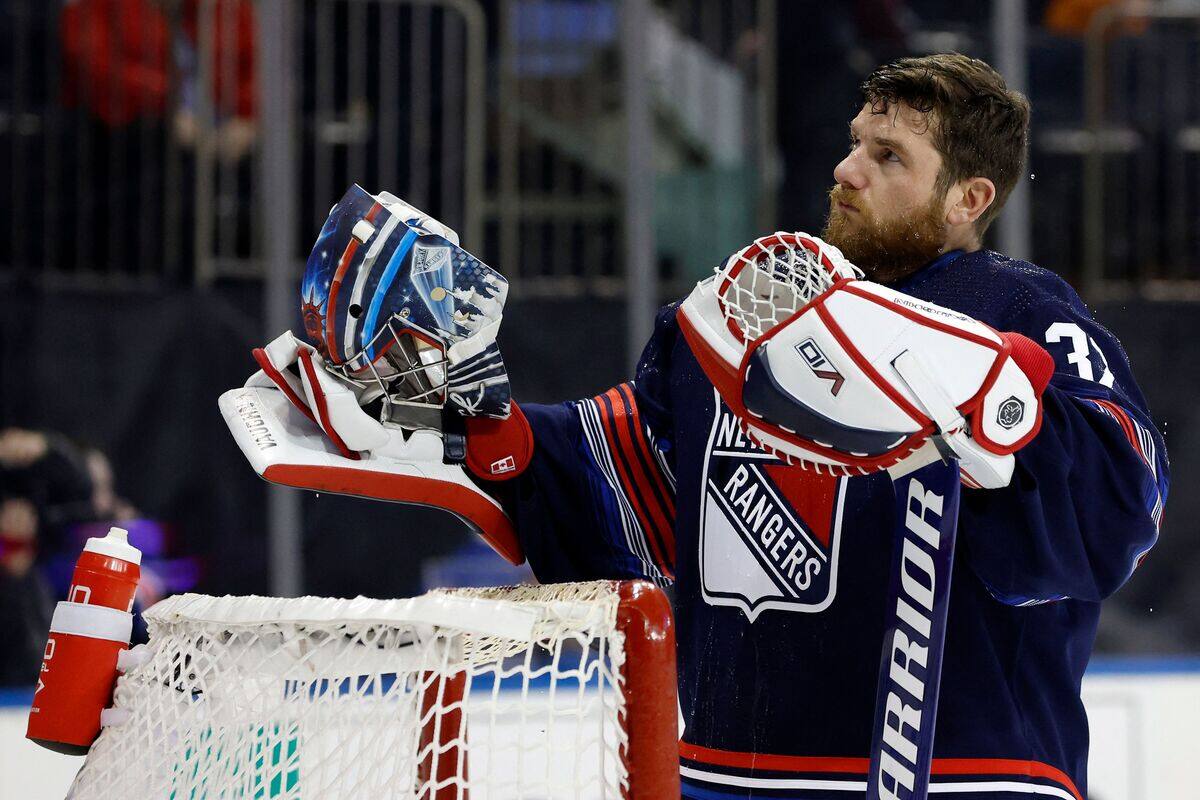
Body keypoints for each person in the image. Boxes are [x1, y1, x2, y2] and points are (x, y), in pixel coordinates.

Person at [232, 54, 1167, 800]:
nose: (845, 169)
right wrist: (482, 420)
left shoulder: (1024, 311)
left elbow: (1116, 510)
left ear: (969, 200)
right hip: (726, 773)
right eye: (854, 142)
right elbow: (634, 495)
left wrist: (989, 401)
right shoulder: (735, 315)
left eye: (890, 158)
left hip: (963, 775)